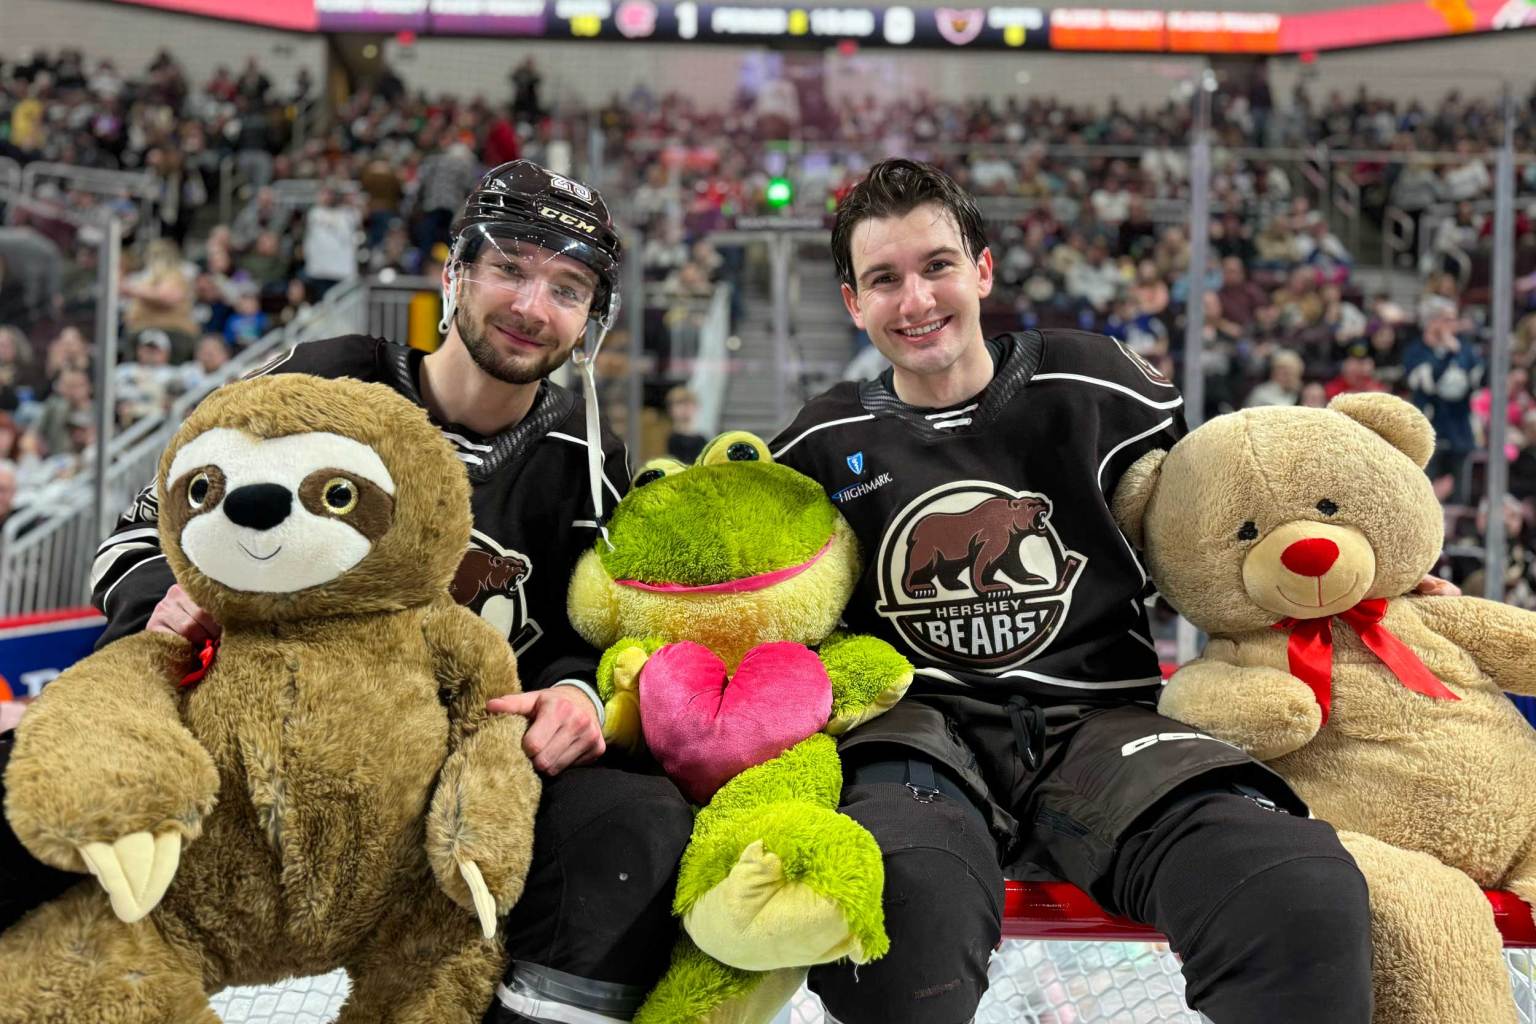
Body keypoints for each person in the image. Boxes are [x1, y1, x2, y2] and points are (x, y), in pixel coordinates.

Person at [0, 161, 695, 1024]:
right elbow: (146, 532)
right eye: (509, 268)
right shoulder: (324, 382)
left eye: (566, 286)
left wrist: (574, 692)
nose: (530, 305)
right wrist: (160, 605)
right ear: (455, 273)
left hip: (447, 787)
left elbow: (583, 634)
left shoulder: (592, 464)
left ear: (591, 317)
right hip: (253, 748)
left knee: (636, 822)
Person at [770, 159, 1374, 1024]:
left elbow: (1230, 520)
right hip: (916, 736)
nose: (915, 301)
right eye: (884, 279)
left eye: (937, 265)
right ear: (852, 302)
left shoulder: (1101, 386)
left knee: (1299, 889)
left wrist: (1375, 579)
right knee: (902, 914)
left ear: (982, 268)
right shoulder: (821, 443)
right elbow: (756, 598)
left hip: (1104, 726)